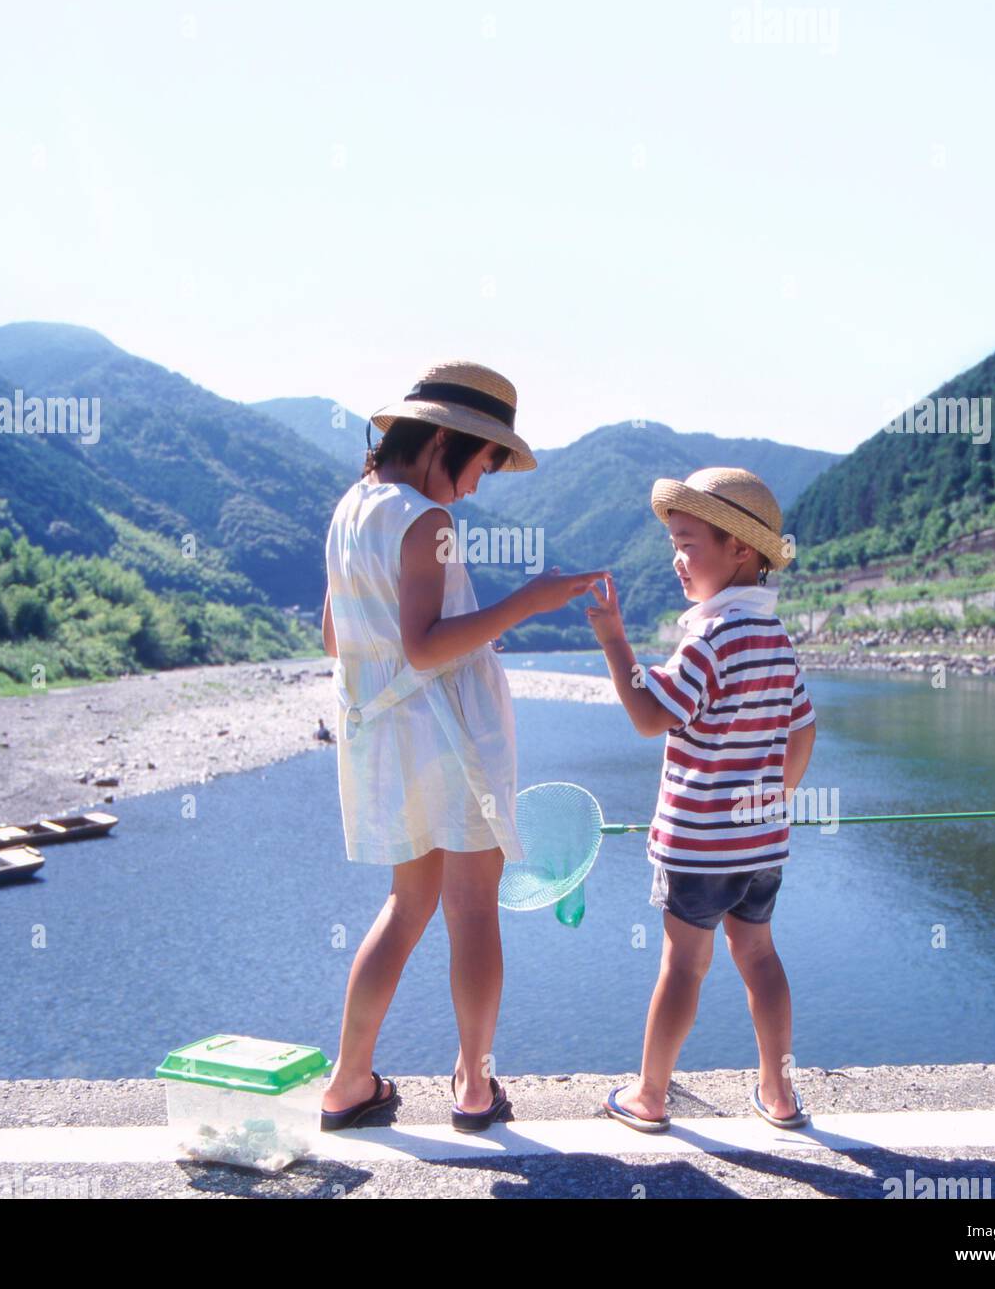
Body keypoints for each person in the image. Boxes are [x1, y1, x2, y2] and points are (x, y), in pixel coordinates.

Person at [319, 361, 604, 1133]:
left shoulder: (352, 508)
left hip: (385, 739)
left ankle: (348, 1082)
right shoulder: (426, 520)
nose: (477, 485)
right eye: (480, 463)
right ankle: (475, 1090)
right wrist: (524, 604)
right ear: (445, 438)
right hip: (447, 741)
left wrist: (465, 644)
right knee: (473, 909)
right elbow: (423, 644)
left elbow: (338, 636)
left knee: (405, 907)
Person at [585, 466, 817, 1133]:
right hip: (760, 844)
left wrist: (612, 640)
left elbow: (650, 713)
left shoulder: (710, 638)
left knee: (683, 967)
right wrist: (779, 796)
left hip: (697, 845)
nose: (677, 560)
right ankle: (778, 1093)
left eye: (687, 544)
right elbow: (801, 728)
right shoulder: (777, 640)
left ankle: (650, 1096)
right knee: (761, 958)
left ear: (738, 550)